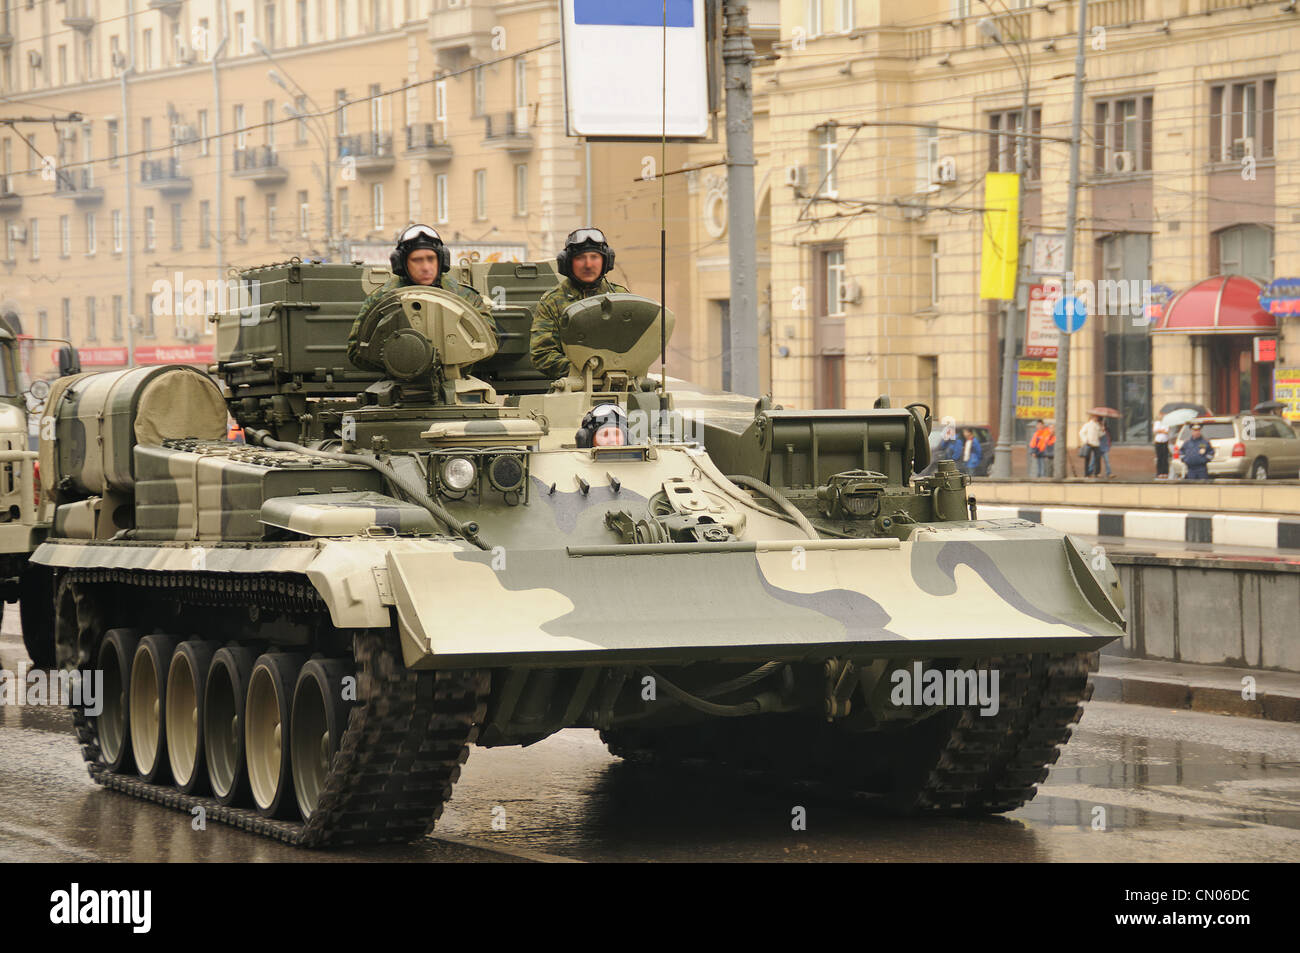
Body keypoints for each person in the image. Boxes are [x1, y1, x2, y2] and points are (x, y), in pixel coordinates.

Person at [347, 224, 495, 373]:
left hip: (456, 380)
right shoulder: (383, 299)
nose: (425, 267)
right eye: (417, 260)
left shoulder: (464, 296)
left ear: (441, 260)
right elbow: (356, 351)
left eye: (431, 259)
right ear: (401, 263)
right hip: (400, 381)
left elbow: (490, 342)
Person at [530, 227, 629, 380]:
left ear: (606, 261)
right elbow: (542, 354)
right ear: (567, 263)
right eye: (580, 258)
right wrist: (584, 371)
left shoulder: (620, 297)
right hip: (571, 388)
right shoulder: (552, 301)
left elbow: (635, 344)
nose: (588, 264)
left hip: (618, 381)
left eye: (594, 257)